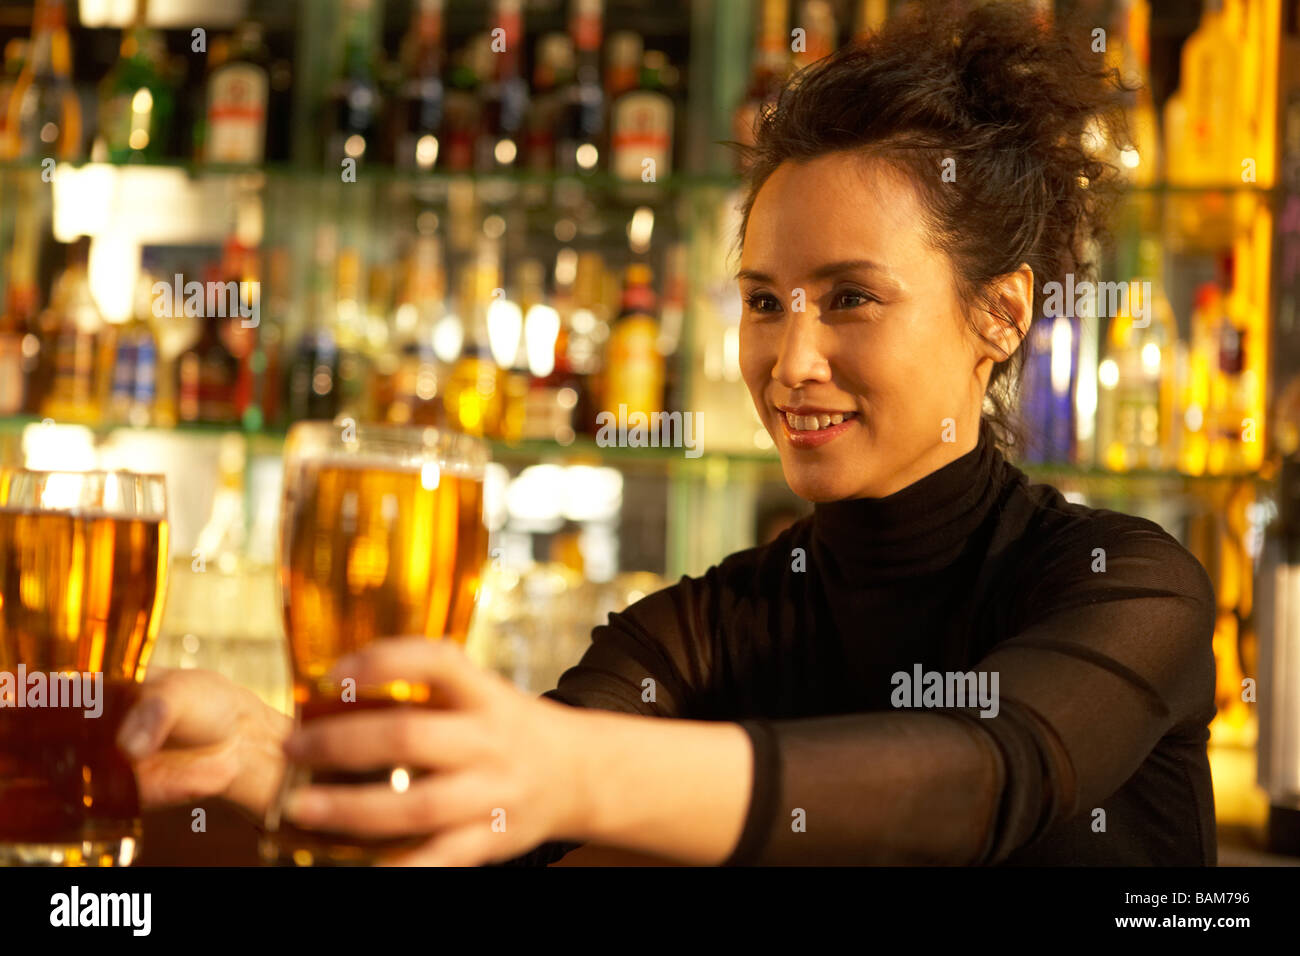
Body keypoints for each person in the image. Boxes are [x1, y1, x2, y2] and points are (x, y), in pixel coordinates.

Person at [118, 2, 1217, 866]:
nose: (790, 361)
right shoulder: (714, 624)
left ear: (1001, 313)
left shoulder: (1124, 585)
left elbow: (980, 774)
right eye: (763, 299)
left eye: (849, 299)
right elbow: (501, 817)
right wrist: (285, 756)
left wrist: (573, 767)